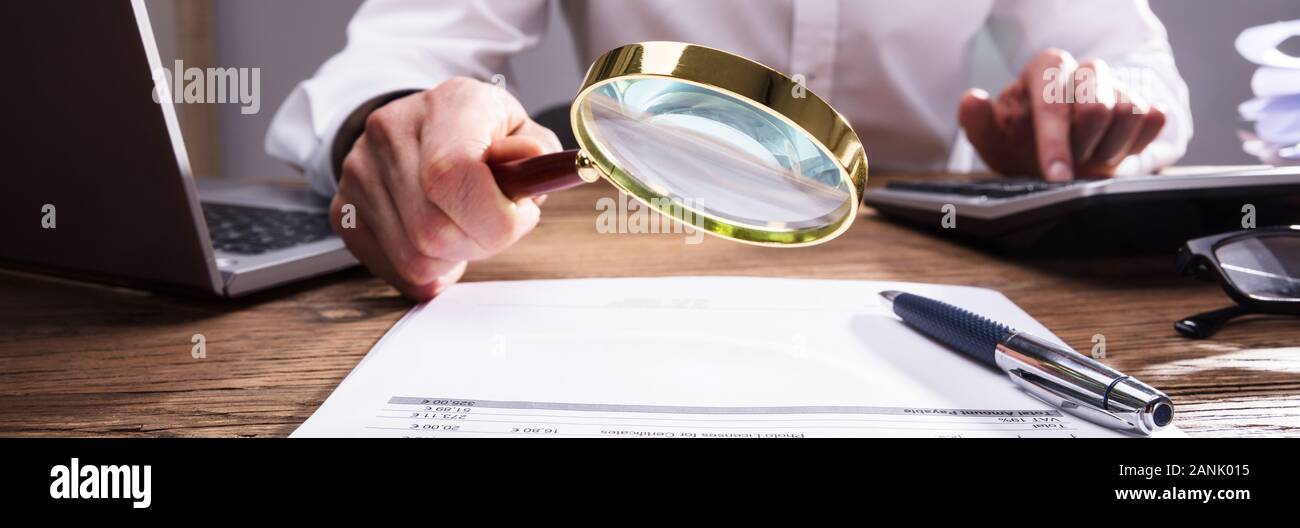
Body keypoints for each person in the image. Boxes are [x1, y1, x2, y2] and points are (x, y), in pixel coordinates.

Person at [267, 0, 1192, 300]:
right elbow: (397, 55)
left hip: (931, 249)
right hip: (622, 254)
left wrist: (1086, 114)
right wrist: (397, 125)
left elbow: (1132, 56)